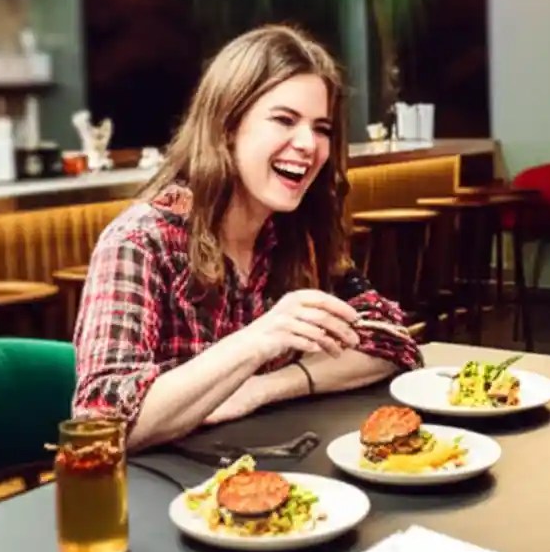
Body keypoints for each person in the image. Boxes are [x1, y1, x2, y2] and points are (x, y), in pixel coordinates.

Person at [72, 24, 422, 451]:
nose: (308, 144)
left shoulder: (293, 232)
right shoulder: (140, 242)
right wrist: (256, 342)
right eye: (284, 120)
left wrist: (265, 387)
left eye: (322, 128)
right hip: (159, 498)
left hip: (275, 475)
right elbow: (100, 429)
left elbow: (392, 340)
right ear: (227, 127)